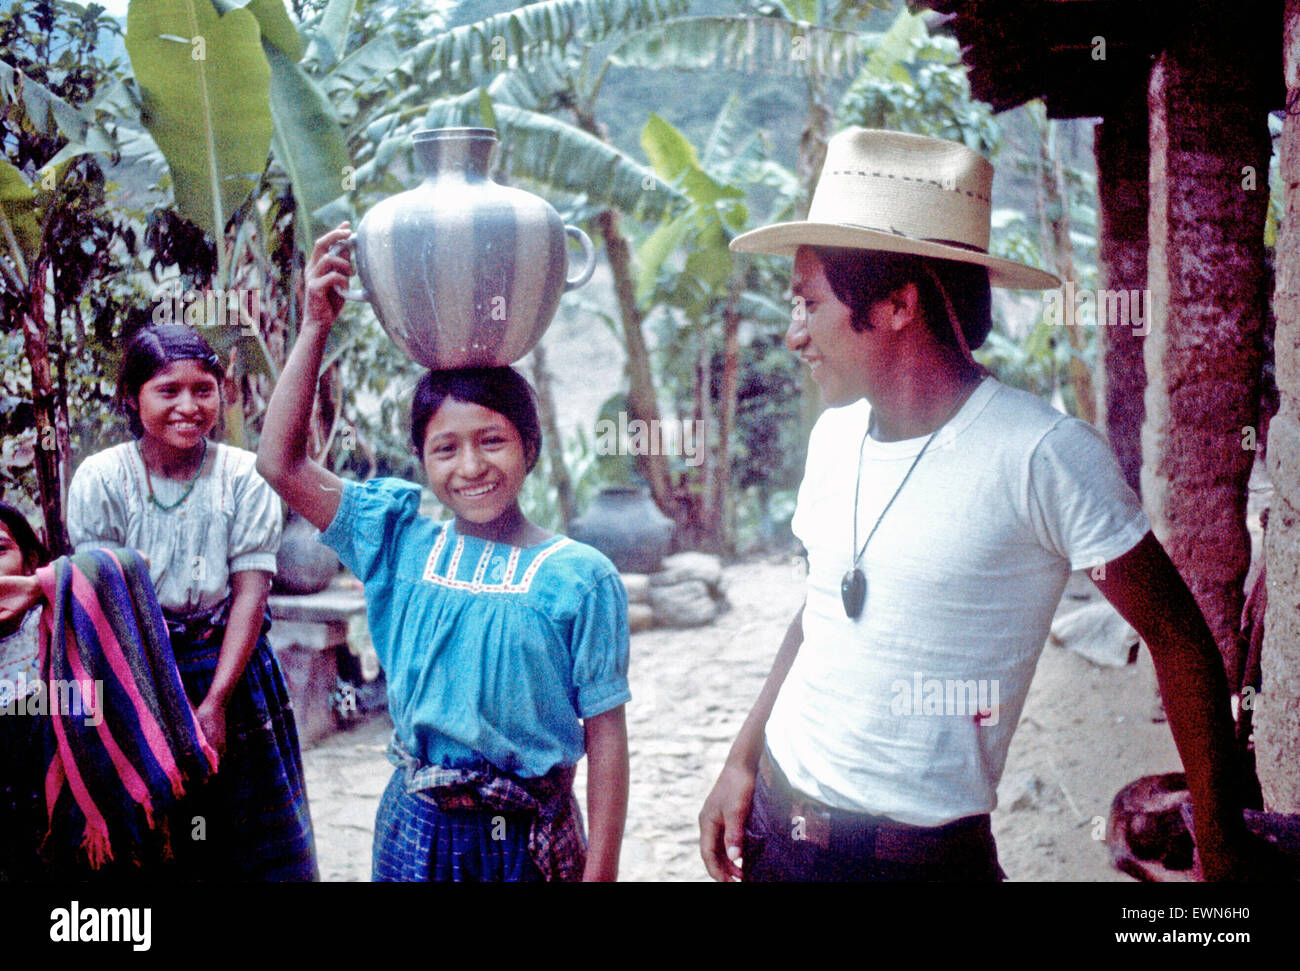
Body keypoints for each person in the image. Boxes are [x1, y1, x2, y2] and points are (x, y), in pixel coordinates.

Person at [698, 127, 1262, 882]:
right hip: (775, 824)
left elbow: (1178, 633)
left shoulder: (1040, 455)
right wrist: (741, 758)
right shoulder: (833, 437)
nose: (794, 335)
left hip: (920, 864)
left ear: (898, 304)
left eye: (809, 302)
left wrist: (1222, 859)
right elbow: (820, 611)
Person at [256, 223, 630, 882]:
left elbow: (605, 737)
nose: (471, 466)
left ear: (531, 447)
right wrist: (315, 323)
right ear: (422, 459)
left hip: (531, 838)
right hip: (418, 828)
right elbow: (280, 463)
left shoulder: (581, 576)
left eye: (492, 439)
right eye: (445, 447)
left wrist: (600, 874)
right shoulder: (397, 537)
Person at [64, 325, 318, 881]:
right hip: (140, 674)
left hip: (231, 666)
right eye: (167, 390)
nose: (188, 406)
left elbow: (252, 590)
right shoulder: (103, 479)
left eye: (203, 389)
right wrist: (147, 709)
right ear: (132, 398)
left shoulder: (242, 477)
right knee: (165, 838)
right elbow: (102, 598)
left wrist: (217, 701)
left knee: (254, 840)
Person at [0, 502, 50, 880]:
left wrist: (43, 587)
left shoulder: (57, 626)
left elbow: (134, 565)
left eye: (0, 550)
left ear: (31, 561)